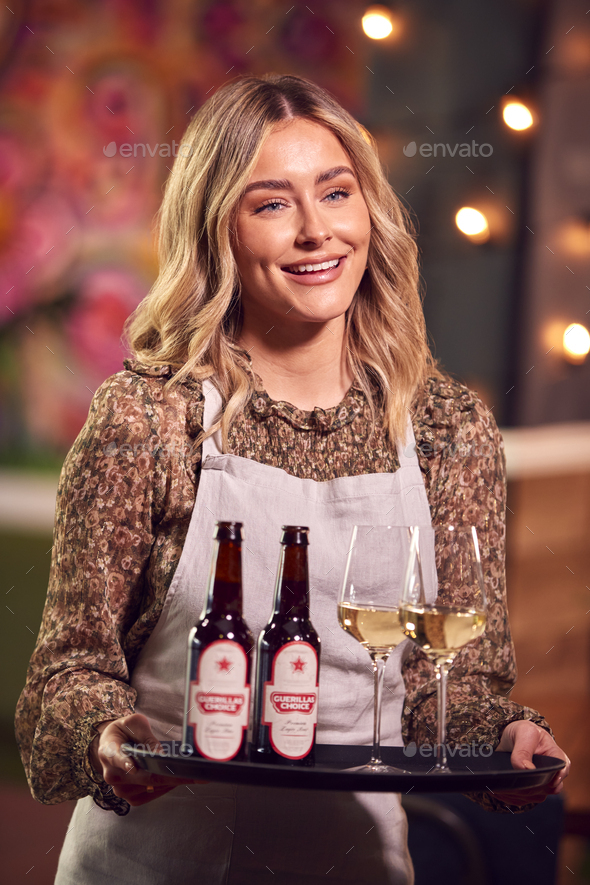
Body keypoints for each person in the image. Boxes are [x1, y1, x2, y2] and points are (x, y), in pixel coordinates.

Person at [16, 73, 569, 884]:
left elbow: (447, 692)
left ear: (368, 213)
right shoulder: (149, 420)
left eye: (335, 193)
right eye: (271, 203)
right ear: (220, 232)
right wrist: (108, 735)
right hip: (156, 864)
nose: (317, 232)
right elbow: (65, 678)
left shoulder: (450, 430)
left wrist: (505, 735)